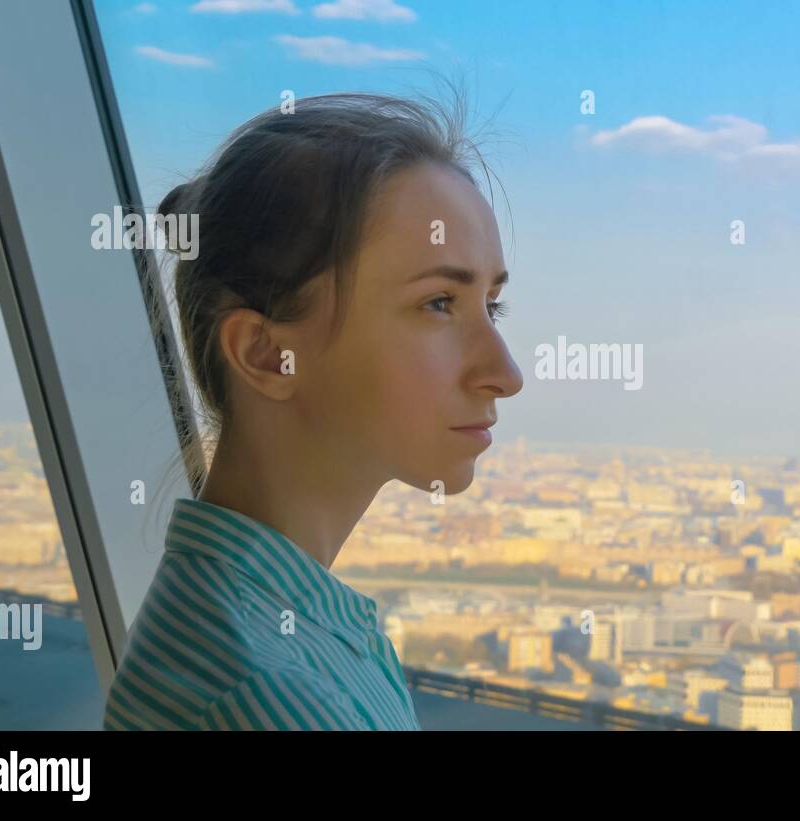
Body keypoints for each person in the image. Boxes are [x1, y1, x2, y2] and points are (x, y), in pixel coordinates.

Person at [103, 90, 523, 730]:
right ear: (267, 355)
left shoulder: (235, 624)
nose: (506, 375)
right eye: (439, 303)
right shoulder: (273, 698)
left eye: (491, 307)